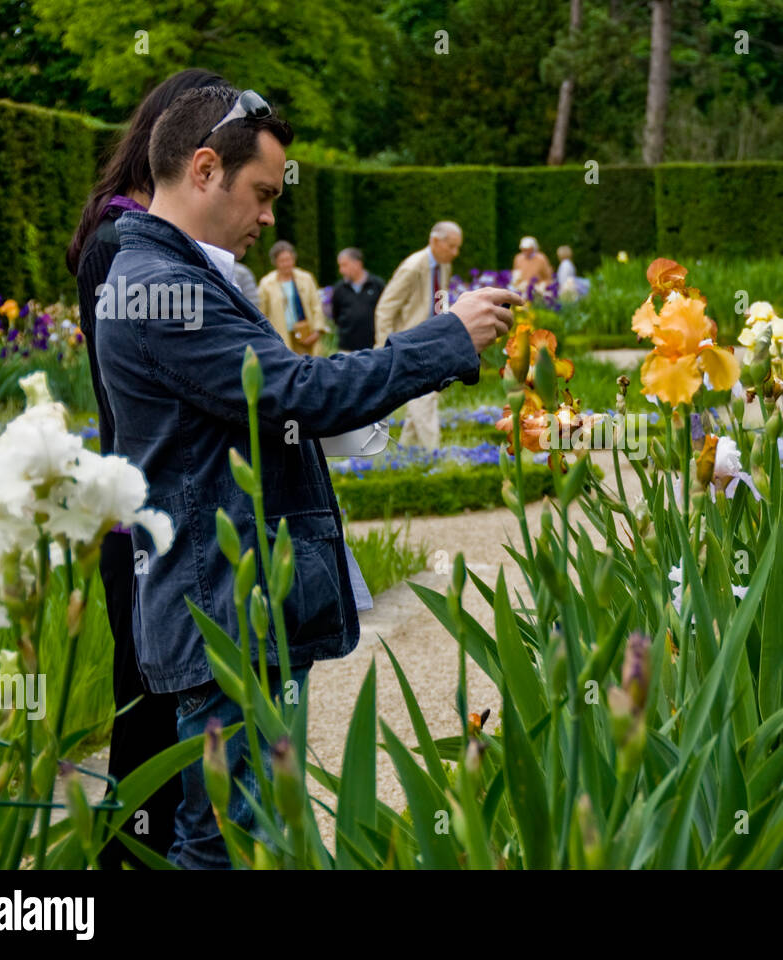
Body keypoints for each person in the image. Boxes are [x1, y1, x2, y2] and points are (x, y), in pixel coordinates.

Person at [94, 85, 519, 869]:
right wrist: (441, 343)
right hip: (221, 604)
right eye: (261, 194)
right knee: (229, 839)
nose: (268, 218)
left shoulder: (183, 271)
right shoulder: (161, 285)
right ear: (204, 167)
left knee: (244, 829)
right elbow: (292, 393)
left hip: (234, 598)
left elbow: (282, 398)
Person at [65, 66, 224, 871]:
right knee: (148, 711)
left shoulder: (132, 236)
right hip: (139, 507)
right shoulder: (119, 243)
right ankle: (129, 862)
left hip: (144, 498)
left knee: (164, 706)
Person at [376, 222, 463, 449]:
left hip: (431, 342)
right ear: (435, 241)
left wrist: (446, 329)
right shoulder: (413, 267)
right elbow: (385, 308)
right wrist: (383, 349)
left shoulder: (443, 266)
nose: (455, 253)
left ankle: (406, 453)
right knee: (425, 399)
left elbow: (441, 300)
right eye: (452, 247)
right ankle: (436, 456)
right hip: (409, 344)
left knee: (421, 398)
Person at [258, 240, 326, 355]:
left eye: (289, 259)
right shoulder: (266, 284)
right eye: (282, 261)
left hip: (305, 334)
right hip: (280, 336)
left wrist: (317, 330)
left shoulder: (306, 278)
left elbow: (316, 306)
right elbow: (261, 312)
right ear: (275, 262)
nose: (286, 264)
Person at [330, 247, 385, 351]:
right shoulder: (339, 288)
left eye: (344, 265)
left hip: (373, 347)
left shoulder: (377, 285)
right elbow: (335, 316)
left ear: (358, 263)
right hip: (347, 349)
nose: (341, 270)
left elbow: (385, 311)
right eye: (340, 266)